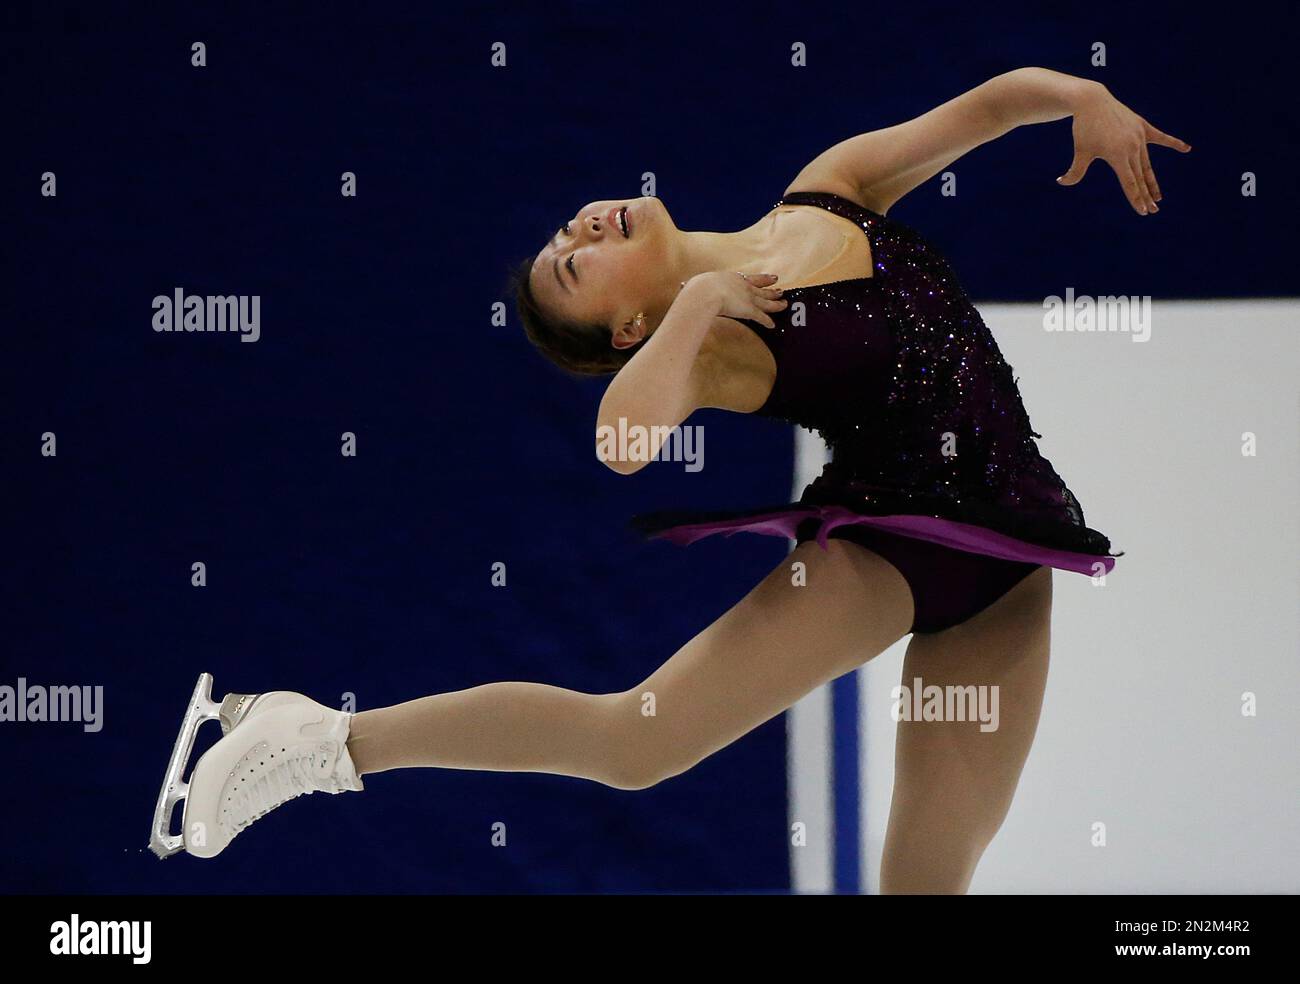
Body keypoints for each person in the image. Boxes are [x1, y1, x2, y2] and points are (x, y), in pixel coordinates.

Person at [155, 67, 1188, 893]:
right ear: (629, 327)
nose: (580, 230)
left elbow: (990, 105)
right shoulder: (714, 345)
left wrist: (1080, 99)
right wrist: (699, 308)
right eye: (573, 264)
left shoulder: (830, 186)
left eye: (566, 232)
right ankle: (317, 736)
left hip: (1009, 557)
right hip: (888, 543)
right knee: (635, 741)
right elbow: (620, 440)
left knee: (928, 882)